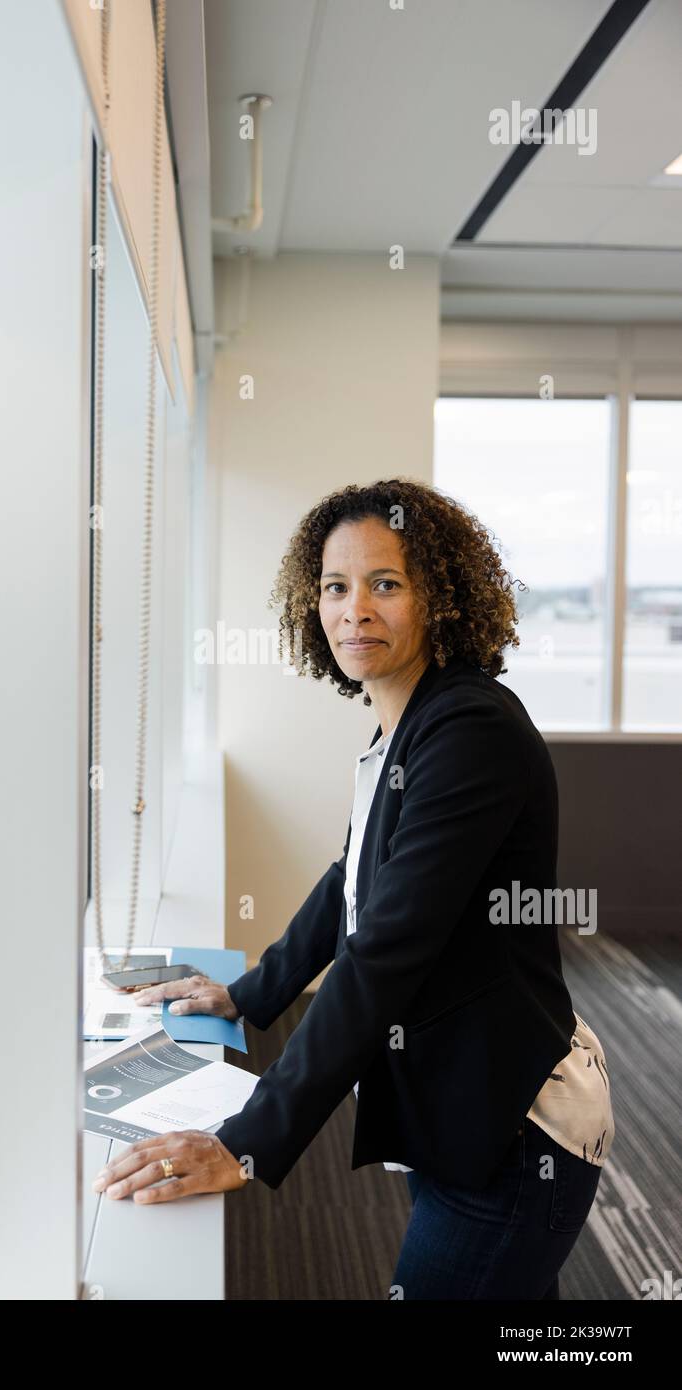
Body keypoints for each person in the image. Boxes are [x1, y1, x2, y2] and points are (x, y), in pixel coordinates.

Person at [93, 477, 614, 1300]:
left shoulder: (468, 730)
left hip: (515, 1127)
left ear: (438, 599)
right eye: (335, 586)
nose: (353, 609)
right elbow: (353, 880)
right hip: (458, 1102)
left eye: (385, 584)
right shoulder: (406, 721)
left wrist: (248, 1141)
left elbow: (385, 948)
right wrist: (247, 995)